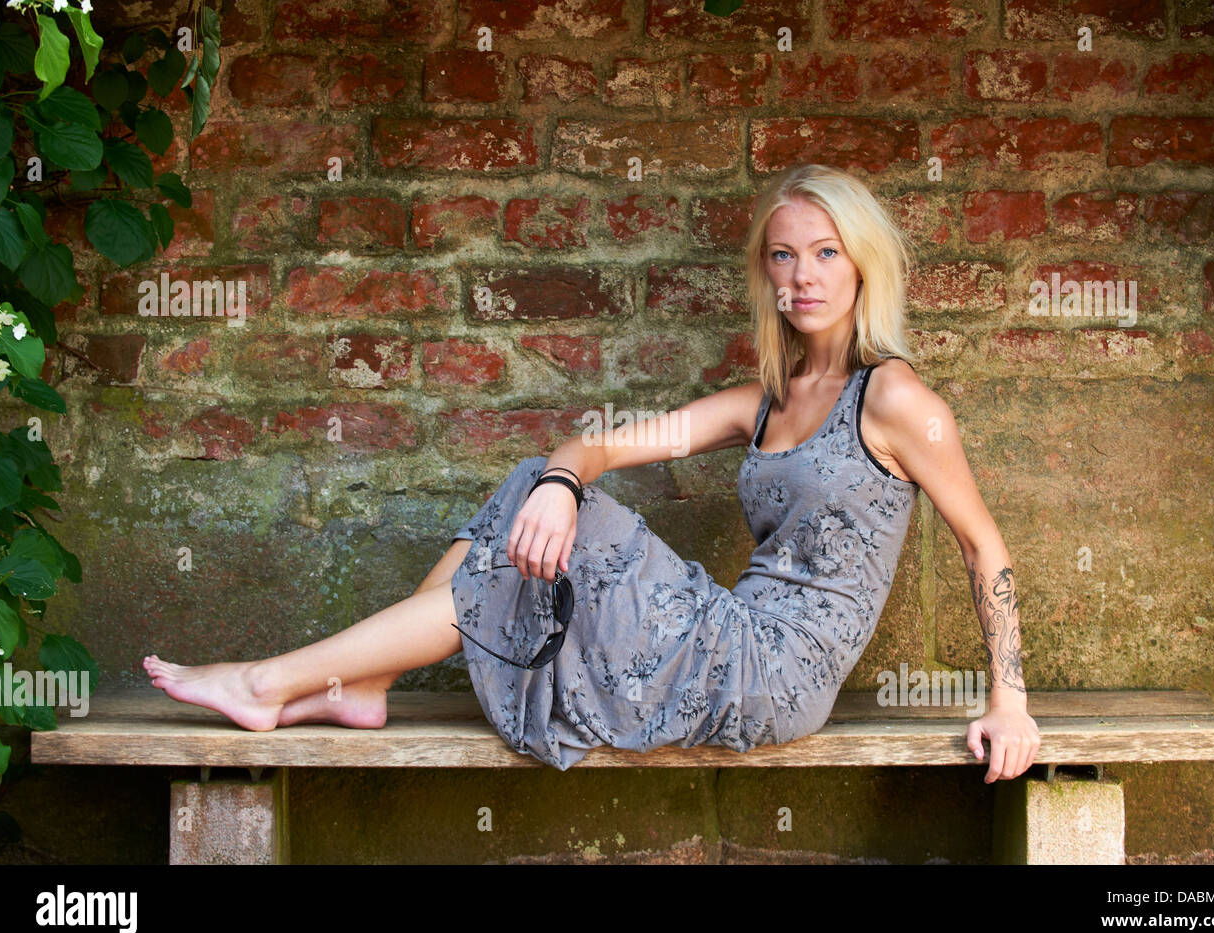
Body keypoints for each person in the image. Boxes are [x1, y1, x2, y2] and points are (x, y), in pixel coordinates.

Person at [143, 163, 1040, 782]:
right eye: (782, 254)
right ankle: (364, 683)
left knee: (568, 536)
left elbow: (983, 544)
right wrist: (561, 484)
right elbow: (599, 443)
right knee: (544, 474)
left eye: (824, 252)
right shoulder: (764, 399)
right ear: (764, 271)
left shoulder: (896, 399)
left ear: (861, 263)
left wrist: (1012, 704)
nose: (800, 276)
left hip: (775, 672)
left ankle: (272, 682)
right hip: (730, 627)